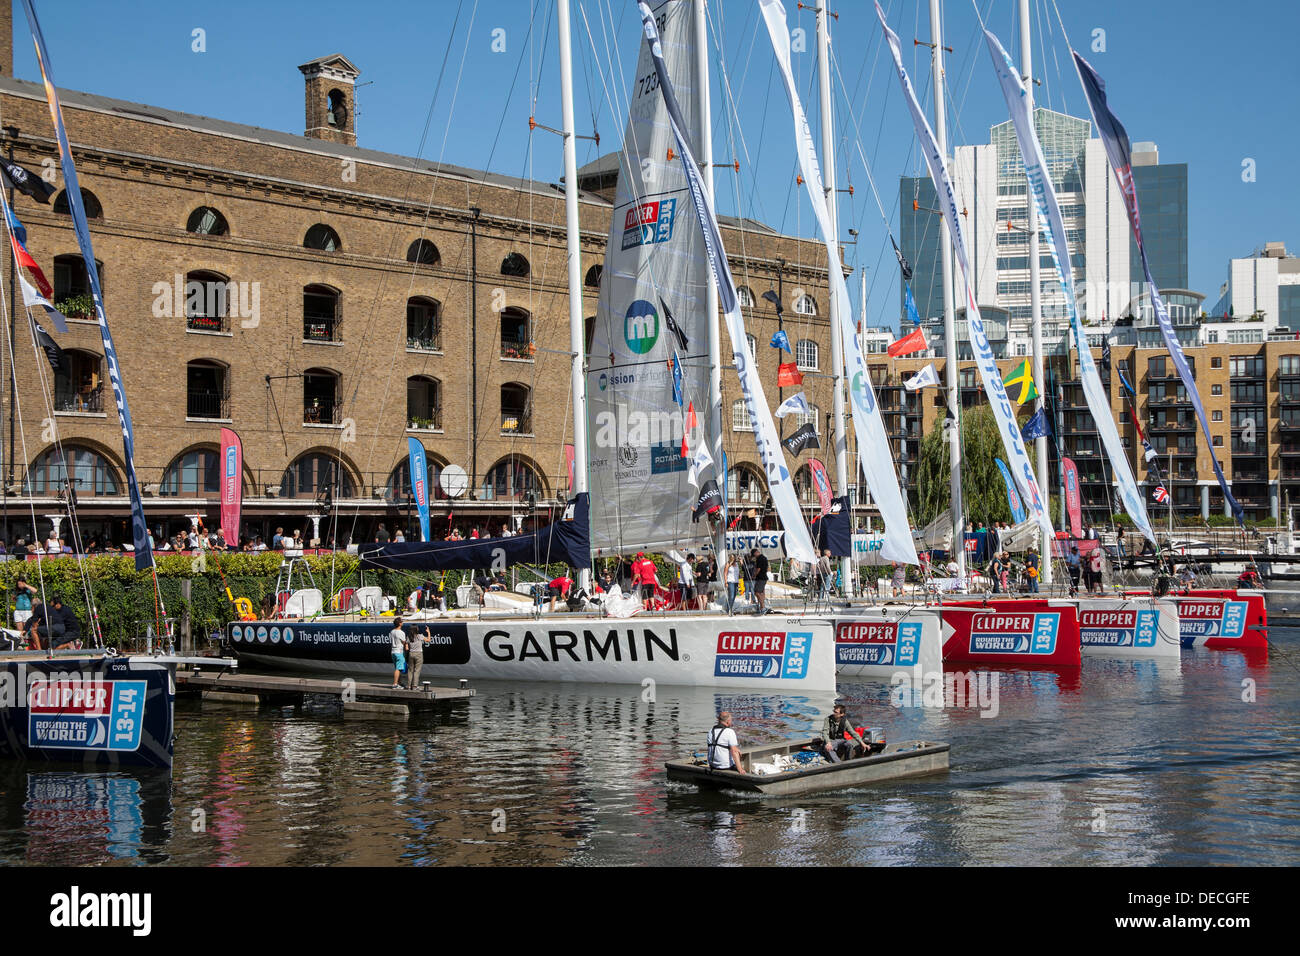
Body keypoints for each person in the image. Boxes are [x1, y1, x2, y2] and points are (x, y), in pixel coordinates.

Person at [389, 617, 408, 688]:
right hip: (399, 652)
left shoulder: (392, 631)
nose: (403, 622)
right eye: (402, 621)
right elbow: (404, 642)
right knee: (398, 669)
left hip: (393, 652)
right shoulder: (401, 632)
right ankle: (395, 684)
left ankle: (399, 683)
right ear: (400, 623)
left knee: (398, 668)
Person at [750, 548, 769, 614]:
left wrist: (754, 575)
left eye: (754, 555)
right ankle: (761, 607)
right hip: (764, 577)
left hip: (761, 578)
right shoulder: (764, 558)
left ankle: (763, 607)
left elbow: (758, 569)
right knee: (761, 592)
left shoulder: (760, 558)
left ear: (755, 553)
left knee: (757, 592)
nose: (754, 557)